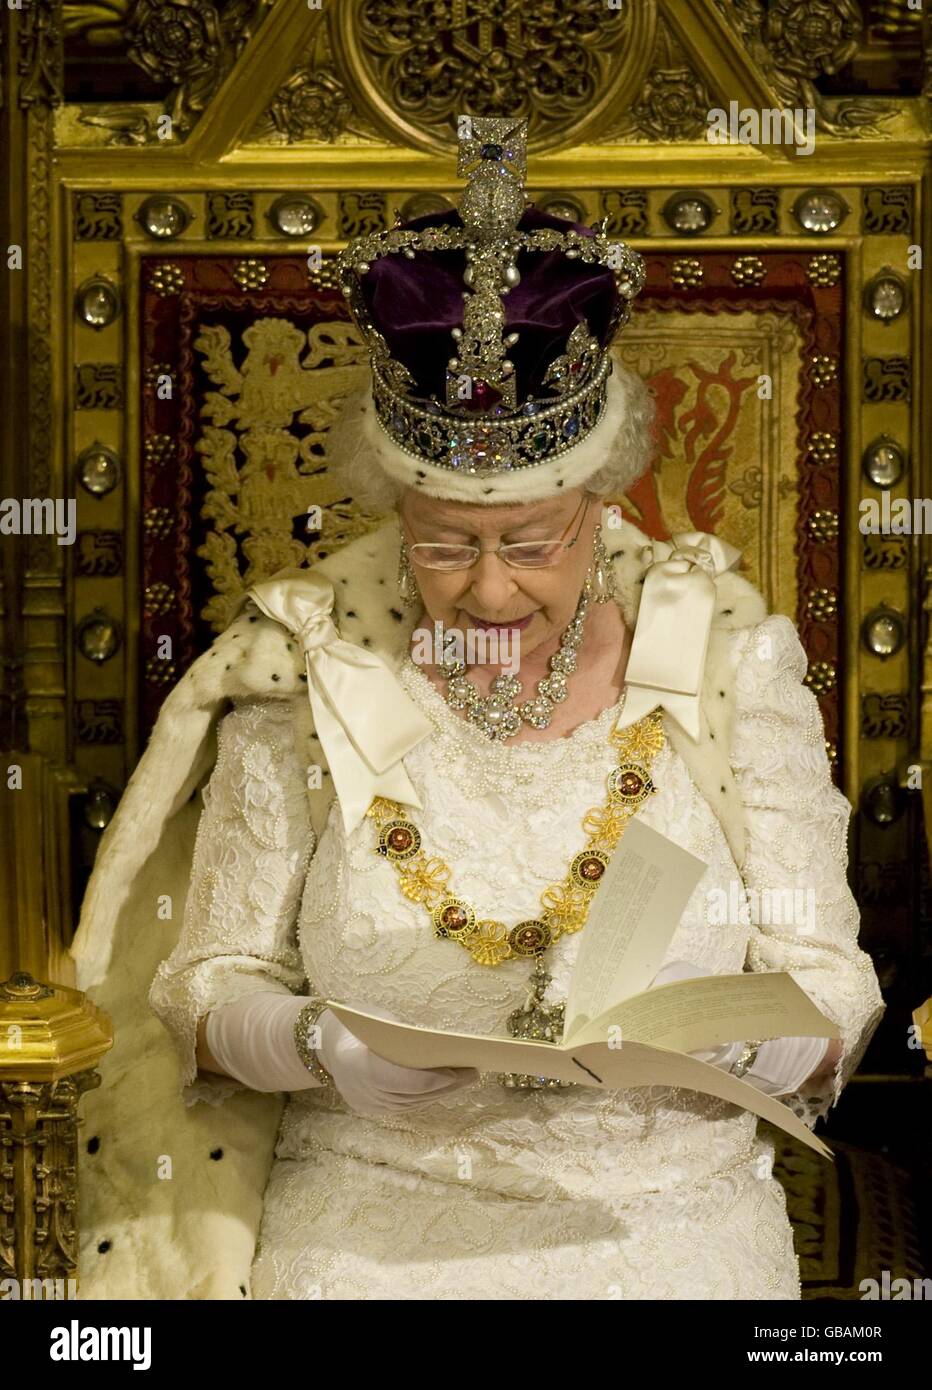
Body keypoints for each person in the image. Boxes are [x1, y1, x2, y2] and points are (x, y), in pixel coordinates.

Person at [69, 117, 884, 1301]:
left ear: (602, 495)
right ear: (390, 498)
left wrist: (733, 1043)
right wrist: (319, 1049)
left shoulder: (725, 661)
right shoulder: (308, 667)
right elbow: (206, 982)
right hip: (368, 1220)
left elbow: (835, 984)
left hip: (662, 1224)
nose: (490, 586)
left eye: (533, 543)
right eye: (444, 542)